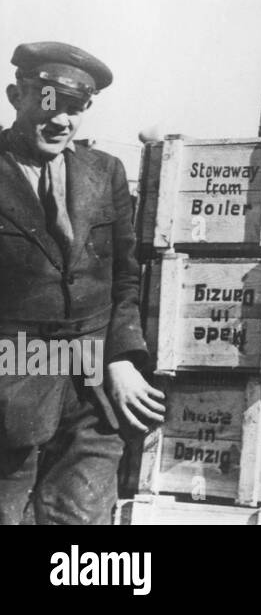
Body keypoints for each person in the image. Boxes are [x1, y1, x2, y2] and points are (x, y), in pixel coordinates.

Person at [0, 42, 165, 524]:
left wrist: (121, 355)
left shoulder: (104, 173)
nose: (61, 121)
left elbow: (124, 277)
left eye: (74, 109)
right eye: (48, 102)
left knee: (79, 527)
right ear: (15, 96)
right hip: (11, 387)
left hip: (92, 389)